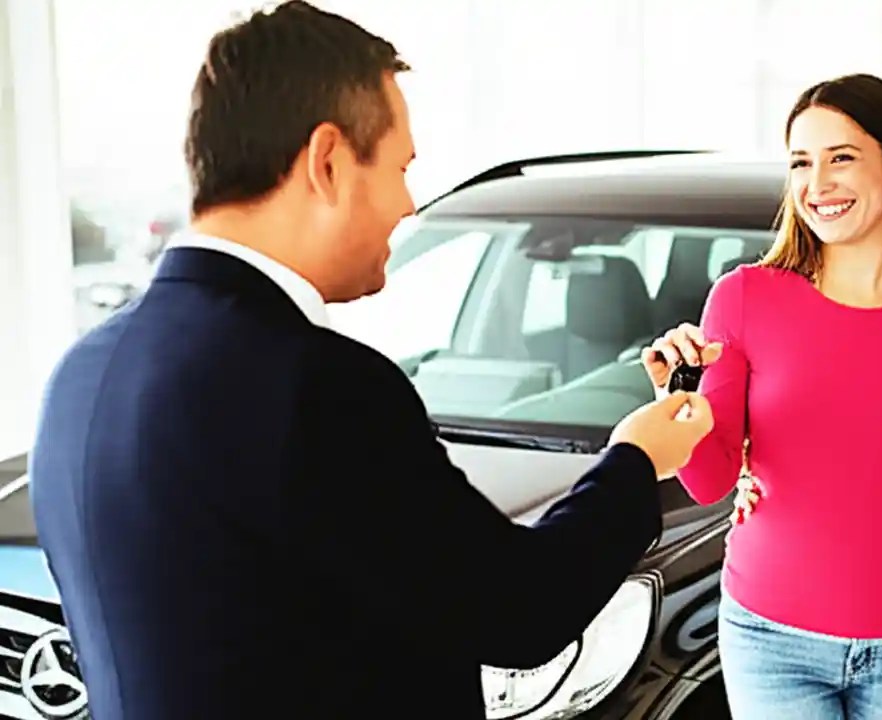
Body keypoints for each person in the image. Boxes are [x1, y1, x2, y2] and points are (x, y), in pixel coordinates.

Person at [26, 3, 712, 720]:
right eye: (401, 167)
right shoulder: (318, 387)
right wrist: (636, 459)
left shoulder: (80, 375)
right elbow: (519, 609)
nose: (408, 206)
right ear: (327, 162)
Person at [642, 73, 882, 719]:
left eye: (842, 158)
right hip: (771, 639)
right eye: (801, 162)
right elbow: (709, 480)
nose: (818, 183)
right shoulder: (745, 298)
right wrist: (677, 399)